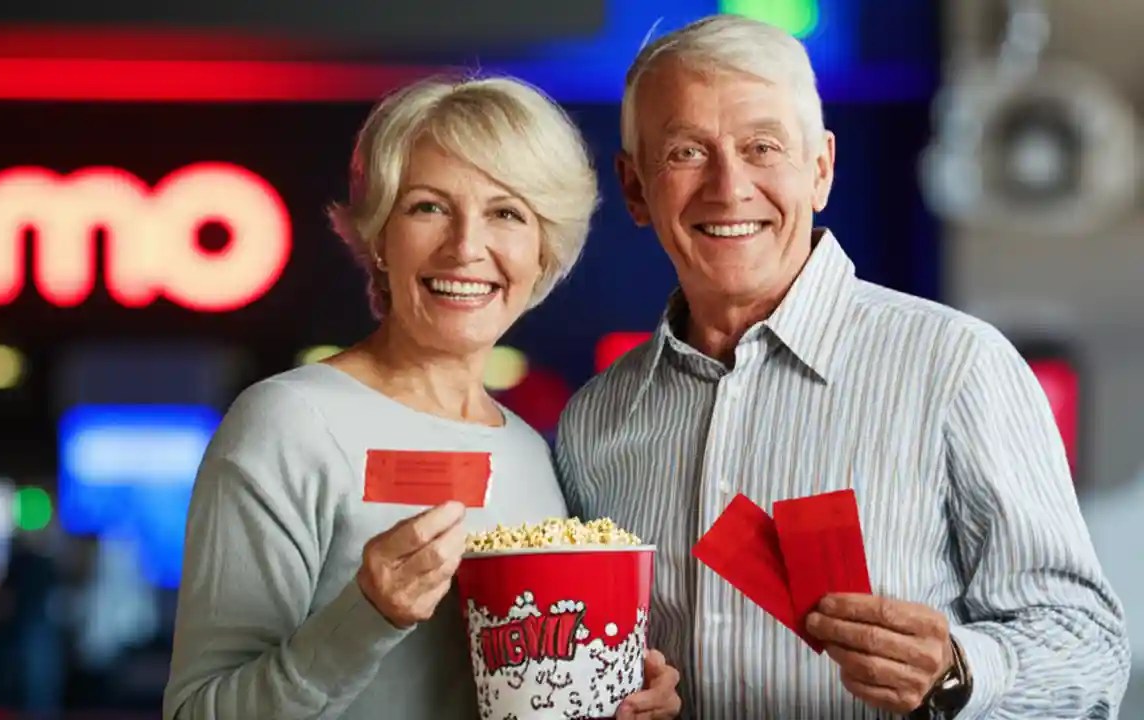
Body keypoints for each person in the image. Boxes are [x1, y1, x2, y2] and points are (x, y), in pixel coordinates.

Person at [555, 14, 1129, 719]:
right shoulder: (594, 422)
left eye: (763, 146)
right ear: (636, 188)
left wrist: (958, 672)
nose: (729, 186)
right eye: (685, 153)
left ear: (821, 169)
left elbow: (1091, 655)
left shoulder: (957, 367)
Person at [164, 74, 682, 719]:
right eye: (428, 207)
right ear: (379, 237)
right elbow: (197, 712)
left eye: (506, 213)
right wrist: (367, 616)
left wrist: (614, 693)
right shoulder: (288, 423)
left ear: (543, 251)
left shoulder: (530, 450)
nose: (466, 248)